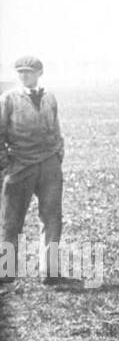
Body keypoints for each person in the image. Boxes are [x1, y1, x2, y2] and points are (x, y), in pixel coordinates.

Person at [0, 56, 65, 285]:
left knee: (52, 218)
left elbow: (57, 130)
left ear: (39, 73)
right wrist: (6, 164)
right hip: (20, 165)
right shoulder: (8, 99)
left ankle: (51, 272)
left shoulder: (49, 97)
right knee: (12, 221)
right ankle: (6, 273)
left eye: (29, 72)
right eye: (20, 72)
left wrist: (57, 156)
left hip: (49, 166)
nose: (24, 76)